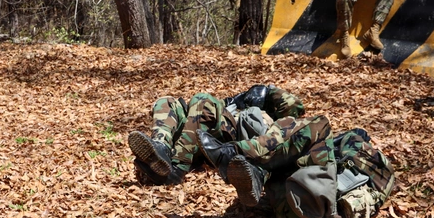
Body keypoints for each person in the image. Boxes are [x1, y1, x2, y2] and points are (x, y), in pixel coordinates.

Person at [199, 116, 395, 218]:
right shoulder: (380, 176)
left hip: (313, 203)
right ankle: (258, 172)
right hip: (299, 216)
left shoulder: (357, 147)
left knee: (319, 125)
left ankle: (234, 154)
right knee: (287, 157)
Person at [128, 85, 304, 185]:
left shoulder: (278, 120)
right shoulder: (235, 101)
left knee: (202, 100)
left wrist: (269, 91)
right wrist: (239, 97)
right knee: (167, 101)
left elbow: (296, 106)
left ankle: (177, 167)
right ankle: (161, 147)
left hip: (231, 139)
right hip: (197, 135)